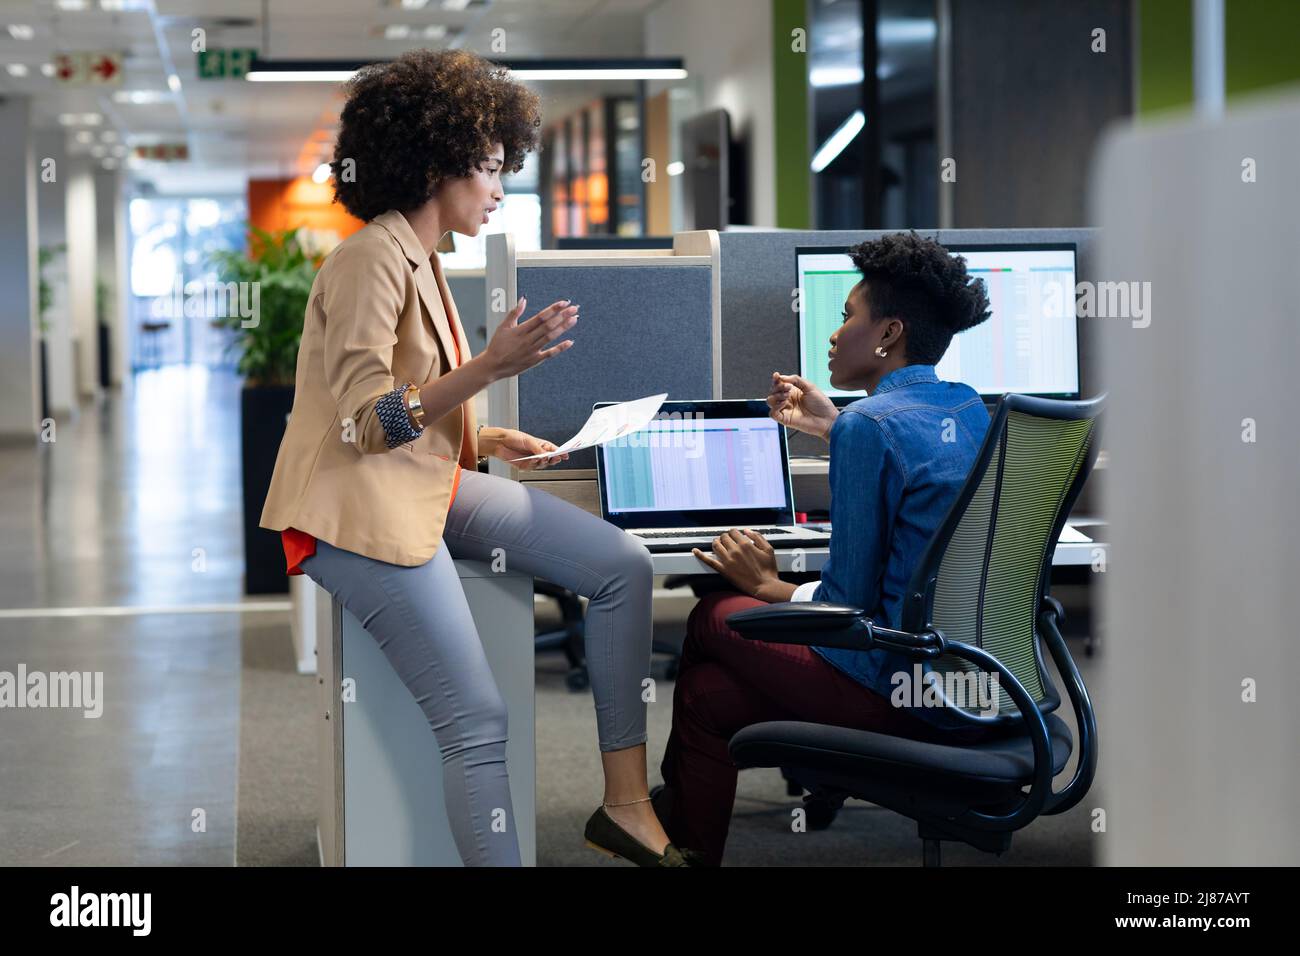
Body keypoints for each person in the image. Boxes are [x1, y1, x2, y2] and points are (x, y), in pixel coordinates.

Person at [260, 49, 690, 866]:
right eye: (489, 169)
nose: (498, 189)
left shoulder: (421, 256)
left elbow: (415, 404)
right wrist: (489, 369)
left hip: (422, 481)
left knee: (623, 567)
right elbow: (367, 423)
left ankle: (626, 805)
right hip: (354, 509)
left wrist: (487, 434)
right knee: (478, 720)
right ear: (434, 163)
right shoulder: (367, 261)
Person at [655, 232, 995, 866]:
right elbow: (915, 469)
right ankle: (676, 843)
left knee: (711, 616)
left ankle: (666, 829)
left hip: (899, 685)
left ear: (888, 333)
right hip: (976, 683)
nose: (835, 335)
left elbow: (847, 608)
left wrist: (766, 586)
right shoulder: (964, 404)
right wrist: (838, 428)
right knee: (706, 696)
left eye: (847, 316)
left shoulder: (870, 427)